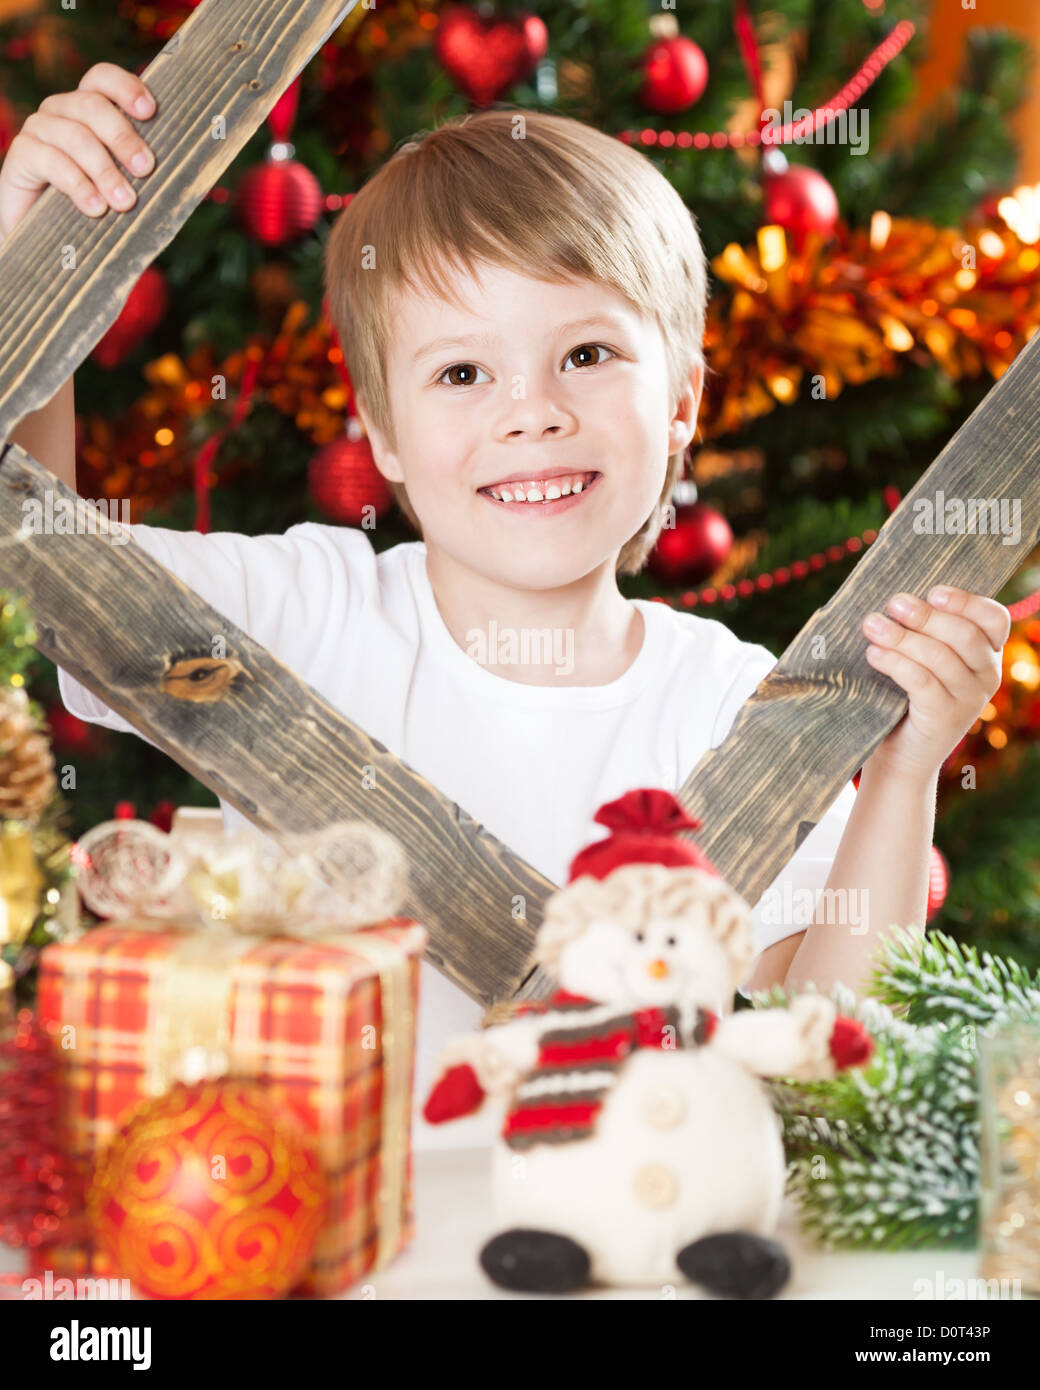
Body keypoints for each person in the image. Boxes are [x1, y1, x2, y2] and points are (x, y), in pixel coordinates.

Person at [0, 63, 1010, 1151]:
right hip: (317, 1237)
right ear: (381, 435)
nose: (530, 412)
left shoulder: (729, 704)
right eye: (461, 374)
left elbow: (829, 1046)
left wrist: (905, 774)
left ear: (678, 403)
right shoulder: (299, 607)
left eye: (584, 354)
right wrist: (36, 252)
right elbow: (39, 557)